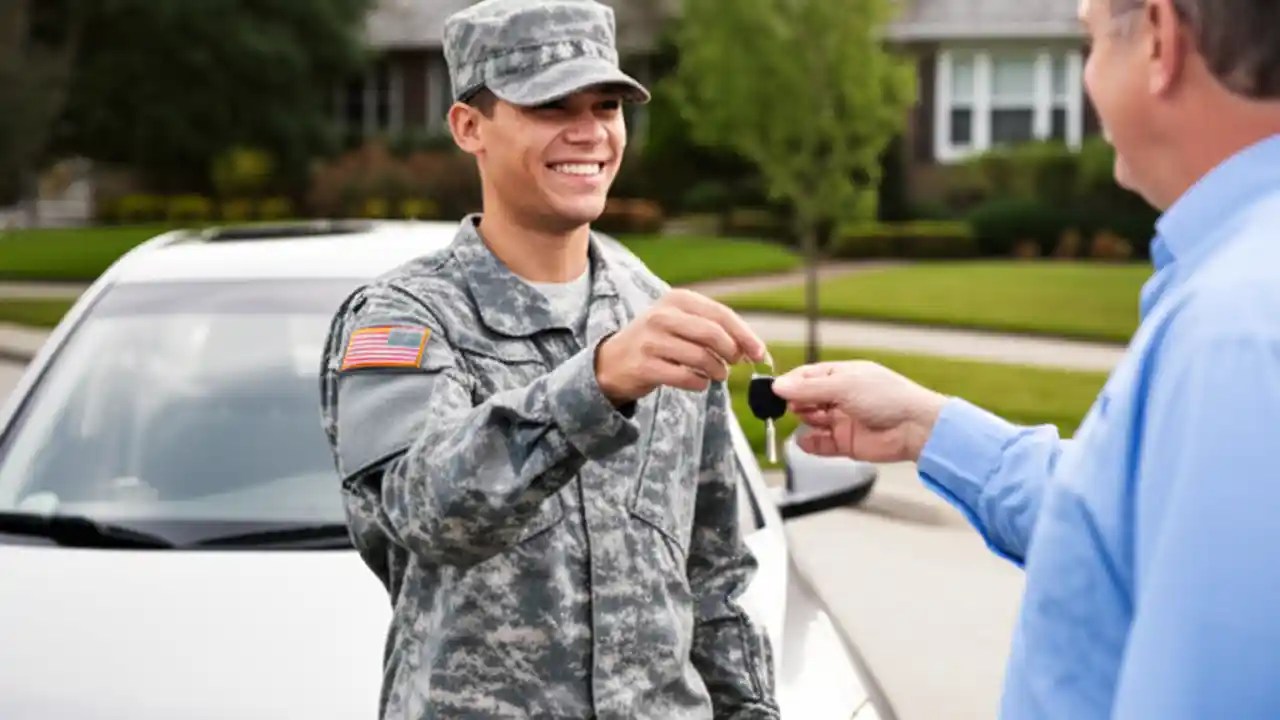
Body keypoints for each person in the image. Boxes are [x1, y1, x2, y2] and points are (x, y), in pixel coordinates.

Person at [771, 0, 1280, 717]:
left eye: (1091, 41)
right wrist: (926, 427)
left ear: (1159, 41)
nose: (1087, 78)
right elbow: (1127, 521)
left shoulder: (1236, 332)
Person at [318, 1, 781, 718]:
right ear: (469, 127)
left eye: (606, 105)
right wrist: (593, 386)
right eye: (549, 106)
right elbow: (425, 513)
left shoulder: (660, 318)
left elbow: (713, 581)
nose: (589, 131)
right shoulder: (405, 320)